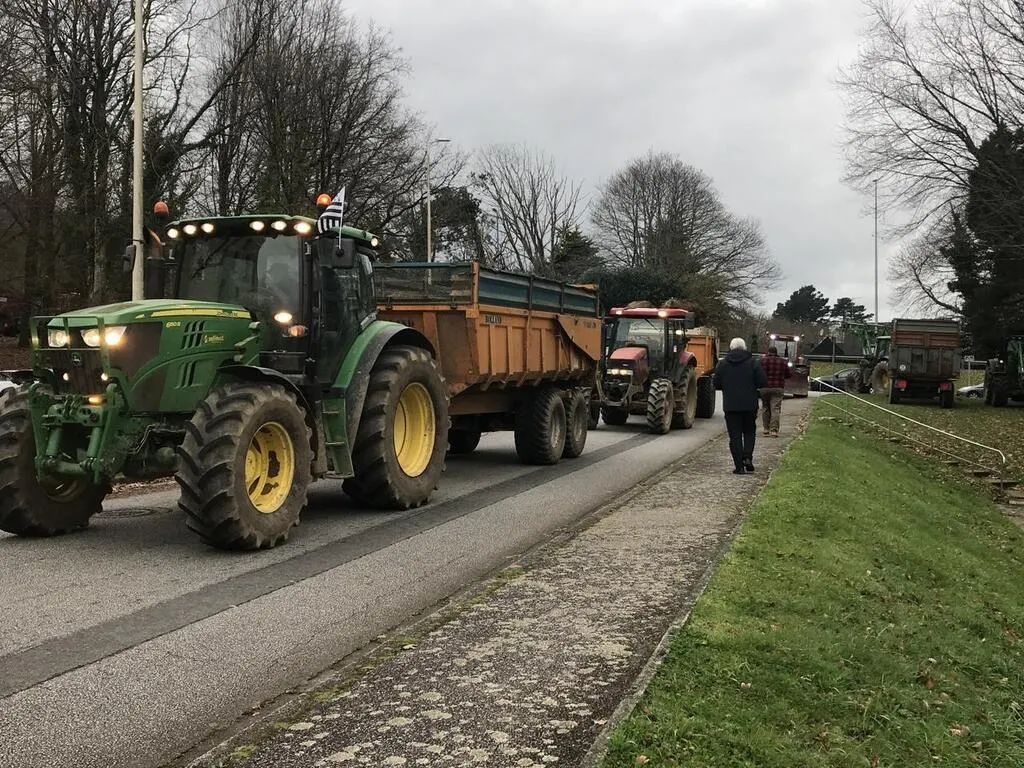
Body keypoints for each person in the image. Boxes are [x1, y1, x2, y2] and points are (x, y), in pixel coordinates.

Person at [713, 337, 767, 475]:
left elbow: (716, 383)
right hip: (750, 404)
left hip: (731, 405)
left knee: (735, 436)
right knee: (749, 432)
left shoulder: (723, 363)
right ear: (744, 348)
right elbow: (762, 381)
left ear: (731, 348)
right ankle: (747, 457)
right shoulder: (753, 362)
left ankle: (739, 466)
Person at [759, 347, 791, 438]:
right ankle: (774, 430)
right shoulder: (783, 362)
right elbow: (789, 374)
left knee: (765, 407)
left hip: (764, 387)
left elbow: (757, 373)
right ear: (776, 352)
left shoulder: (762, 361)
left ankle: (766, 429)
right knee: (775, 408)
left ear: (768, 352)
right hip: (778, 388)